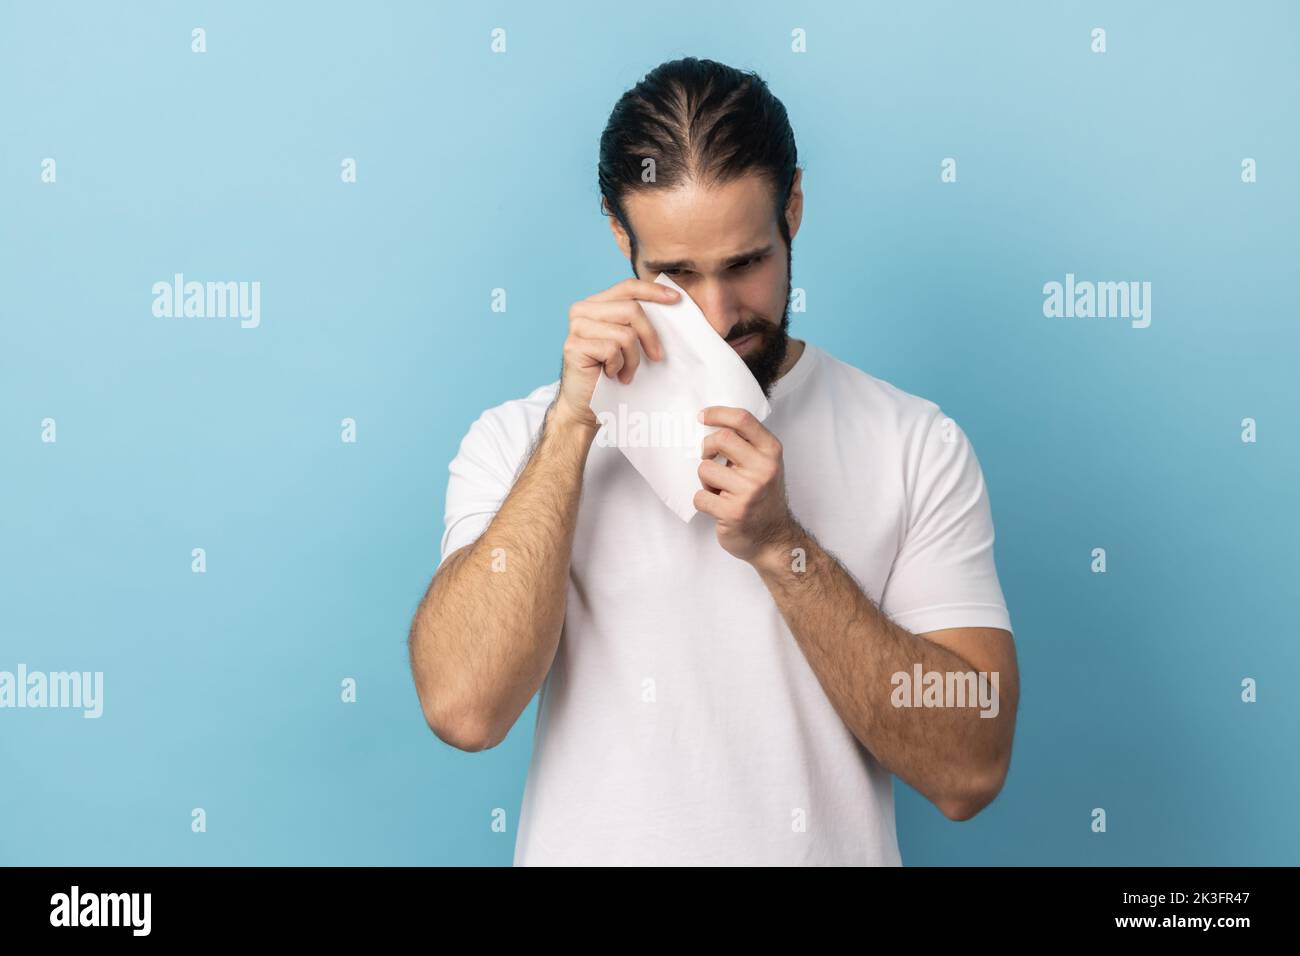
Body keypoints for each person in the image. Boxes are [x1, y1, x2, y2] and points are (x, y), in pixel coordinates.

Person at [408, 57, 1019, 866]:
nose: (720, 315)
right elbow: (464, 709)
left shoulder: (914, 443)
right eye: (676, 274)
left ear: (792, 209)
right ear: (621, 236)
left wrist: (780, 548)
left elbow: (969, 767)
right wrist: (569, 431)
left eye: (745, 264)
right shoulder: (518, 440)